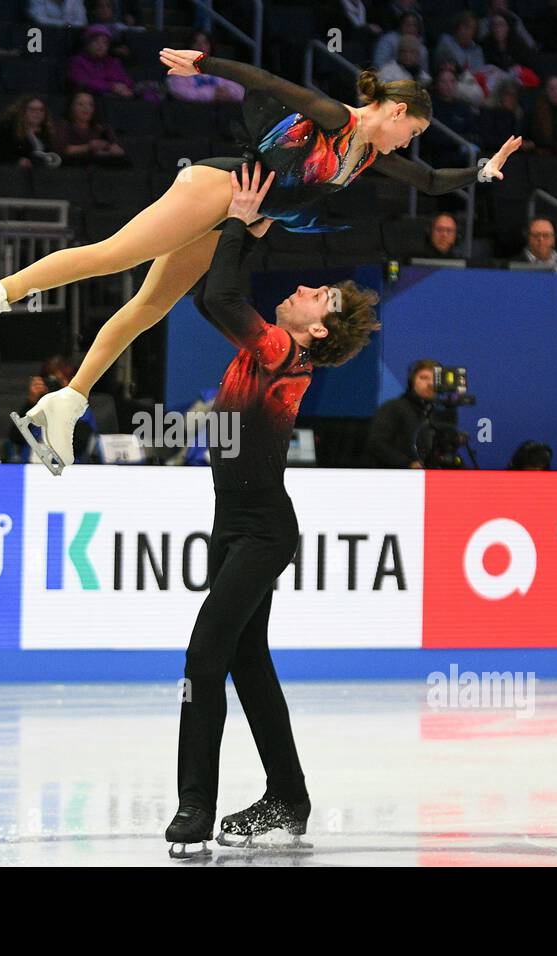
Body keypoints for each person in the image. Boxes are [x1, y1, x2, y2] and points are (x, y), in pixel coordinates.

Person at [0, 53, 522, 473]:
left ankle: (67, 403)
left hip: (235, 210)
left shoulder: (366, 155)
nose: (409, 143)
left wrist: (482, 172)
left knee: (150, 306)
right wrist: (206, 64)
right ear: (394, 110)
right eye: (412, 131)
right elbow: (269, 80)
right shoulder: (337, 119)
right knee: (111, 255)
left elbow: (428, 178)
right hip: (218, 186)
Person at [164, 165, 381, 856]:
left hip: (261, 530)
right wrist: (248, 230)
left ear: (318, 333)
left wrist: (240, 219)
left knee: (205, 657)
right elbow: (213, 299)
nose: (313, 288)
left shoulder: (286, 353)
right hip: (238, 527)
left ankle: (194, 805)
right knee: (247, 661)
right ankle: (288, 794)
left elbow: (221, 294)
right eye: (321, 287)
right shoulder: (270, 350)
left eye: (324, 297)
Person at [10, 357, 100, 464]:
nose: (54, 385)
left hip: (68, 469)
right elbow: (15, 438)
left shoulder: (81, 409)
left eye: (59, 381)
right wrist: (30, 403)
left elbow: (79, 446)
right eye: (49, 380)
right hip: (31, 465)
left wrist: (64, 406)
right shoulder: (35, 406)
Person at [366, 359, 452, 468]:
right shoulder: (393, 408)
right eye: (424, 378)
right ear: (412, 381)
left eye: (435, 378)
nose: (430, 383)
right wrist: (408, 464)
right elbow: (377, 443)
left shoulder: (443, 412)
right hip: (398, 476)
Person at [52, 90, 128, 165]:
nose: (86, 108)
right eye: (80, 104)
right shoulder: (63, 125)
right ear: (71, 106)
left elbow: (119, 149)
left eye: (90, 104)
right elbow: (61, 150)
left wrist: (109, 147)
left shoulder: (102, 127)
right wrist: (88, 147)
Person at [165, 31, 243, 102]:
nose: (201, 46)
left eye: (205, 43)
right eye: (197, 42)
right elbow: (180, 91)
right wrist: (211, 94)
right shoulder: (179, 69)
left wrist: (229, 92)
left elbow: (240, 90)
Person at [0, 94, 61, 168]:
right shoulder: (8, 129)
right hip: (13, 174)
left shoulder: (46, 132)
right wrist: (17, 161)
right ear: (22, 111)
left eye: (41, 110)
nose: (38, 113)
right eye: (32, 110)